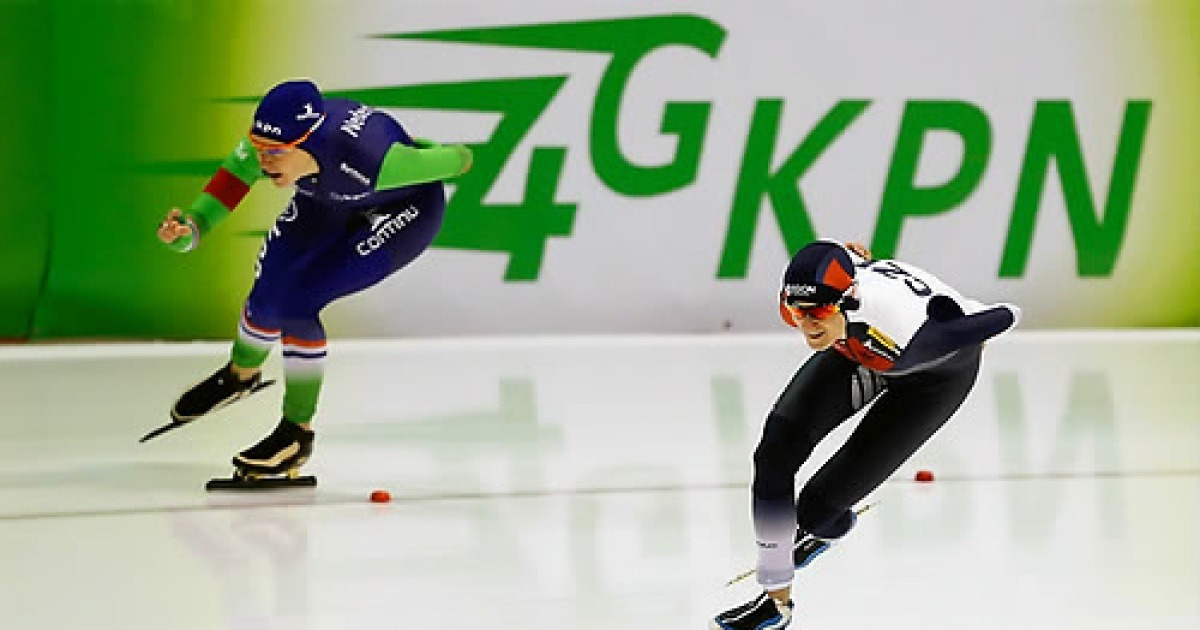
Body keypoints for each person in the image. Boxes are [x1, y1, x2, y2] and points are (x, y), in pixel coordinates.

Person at [150, 78, 472, 484]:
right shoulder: (271, 143)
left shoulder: (373, 158)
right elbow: (231, 183)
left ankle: (295, 434)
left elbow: (461, 158)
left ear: (307, 141)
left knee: (300, 302)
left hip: (403, 210)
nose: (264, 163)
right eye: (259, 150)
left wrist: (415, 150)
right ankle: (240, 376)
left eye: (275, 155)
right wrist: (191, 229)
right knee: (268, 290)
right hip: (326, 197)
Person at [711, 240, 1020, 630]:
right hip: (860, 350)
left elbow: (996, 319)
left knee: (815, 512)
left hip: (933, 380)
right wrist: (855, 258)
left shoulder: (906, 325)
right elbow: (846, 259)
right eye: (795, 313)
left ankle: (829, 527)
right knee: (775, 452)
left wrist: (1000, 317)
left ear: (849, 299)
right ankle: (776, 604)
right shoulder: (840, 305)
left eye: (818, 312)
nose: (807, 326)